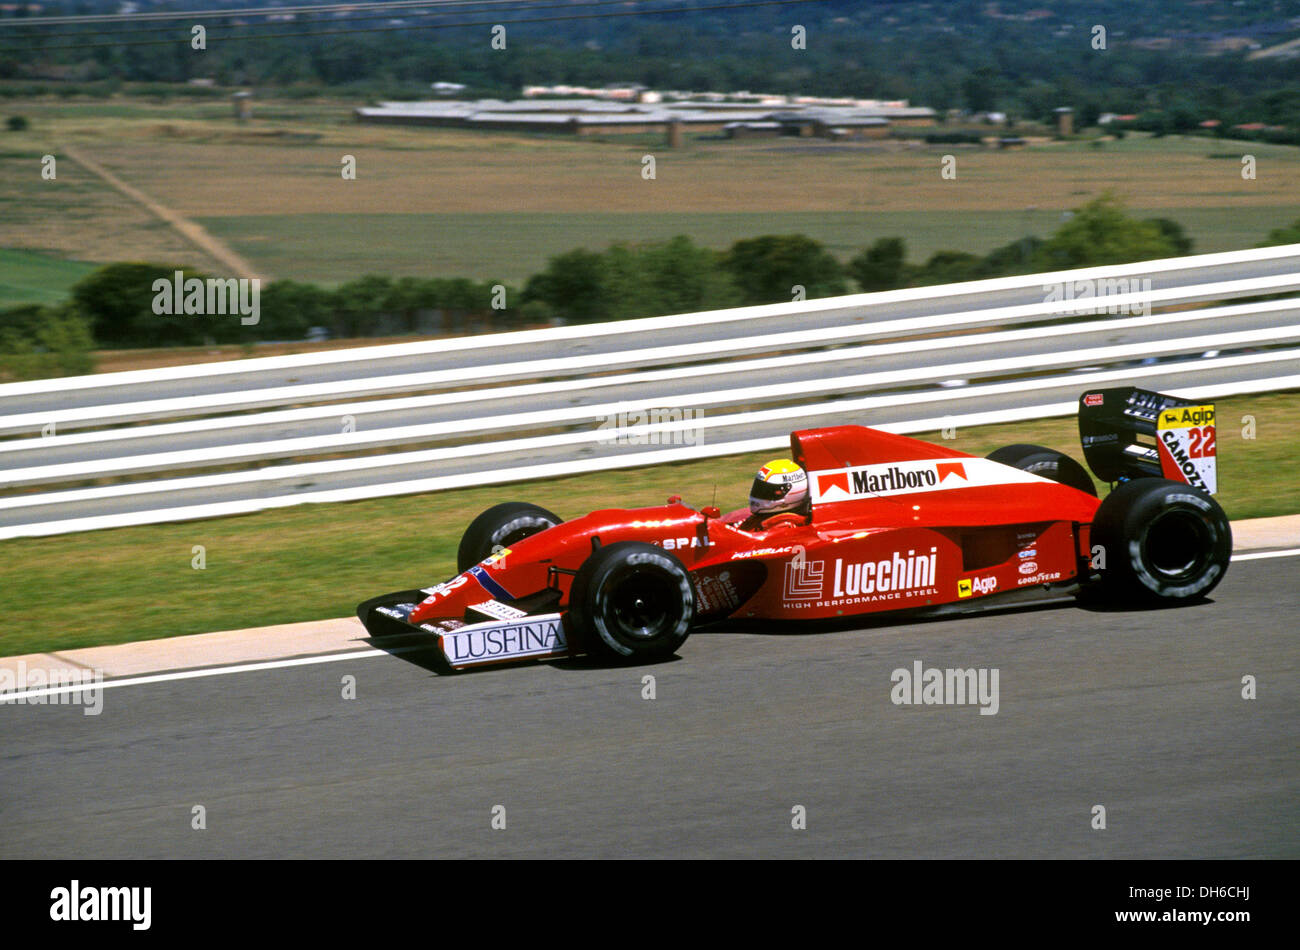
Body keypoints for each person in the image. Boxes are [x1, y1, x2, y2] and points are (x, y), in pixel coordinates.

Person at [721, 459, 811, 531]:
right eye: (759, 488)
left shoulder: (784, 527)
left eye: (766, 491)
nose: (760, 493)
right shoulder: (765, 518)